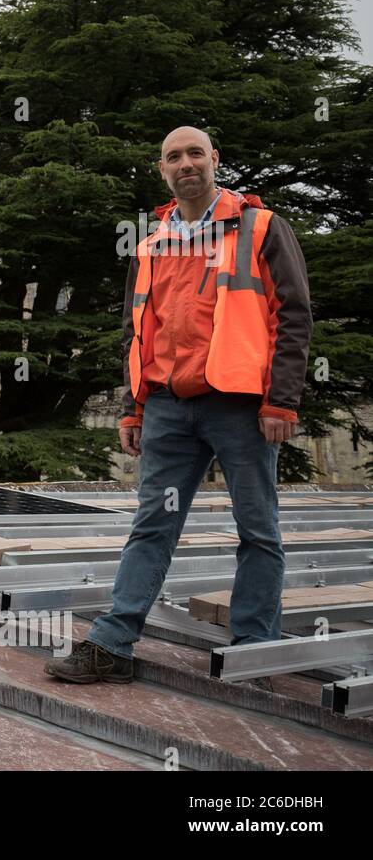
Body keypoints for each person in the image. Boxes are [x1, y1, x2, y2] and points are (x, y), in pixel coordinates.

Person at [46, 126, 312, 687]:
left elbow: (294, 315)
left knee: (258, 529)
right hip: (167, 404)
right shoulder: (151, 243)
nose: (185, 163)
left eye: (195, 153)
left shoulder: (262, 227)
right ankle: (112, 645)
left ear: (215, 159)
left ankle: (254, 649)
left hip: (238, 404)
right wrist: (131, 407)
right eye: (174, 157)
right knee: (151, 526)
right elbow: (136, 329)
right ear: (163, 170)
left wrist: (281, 401)